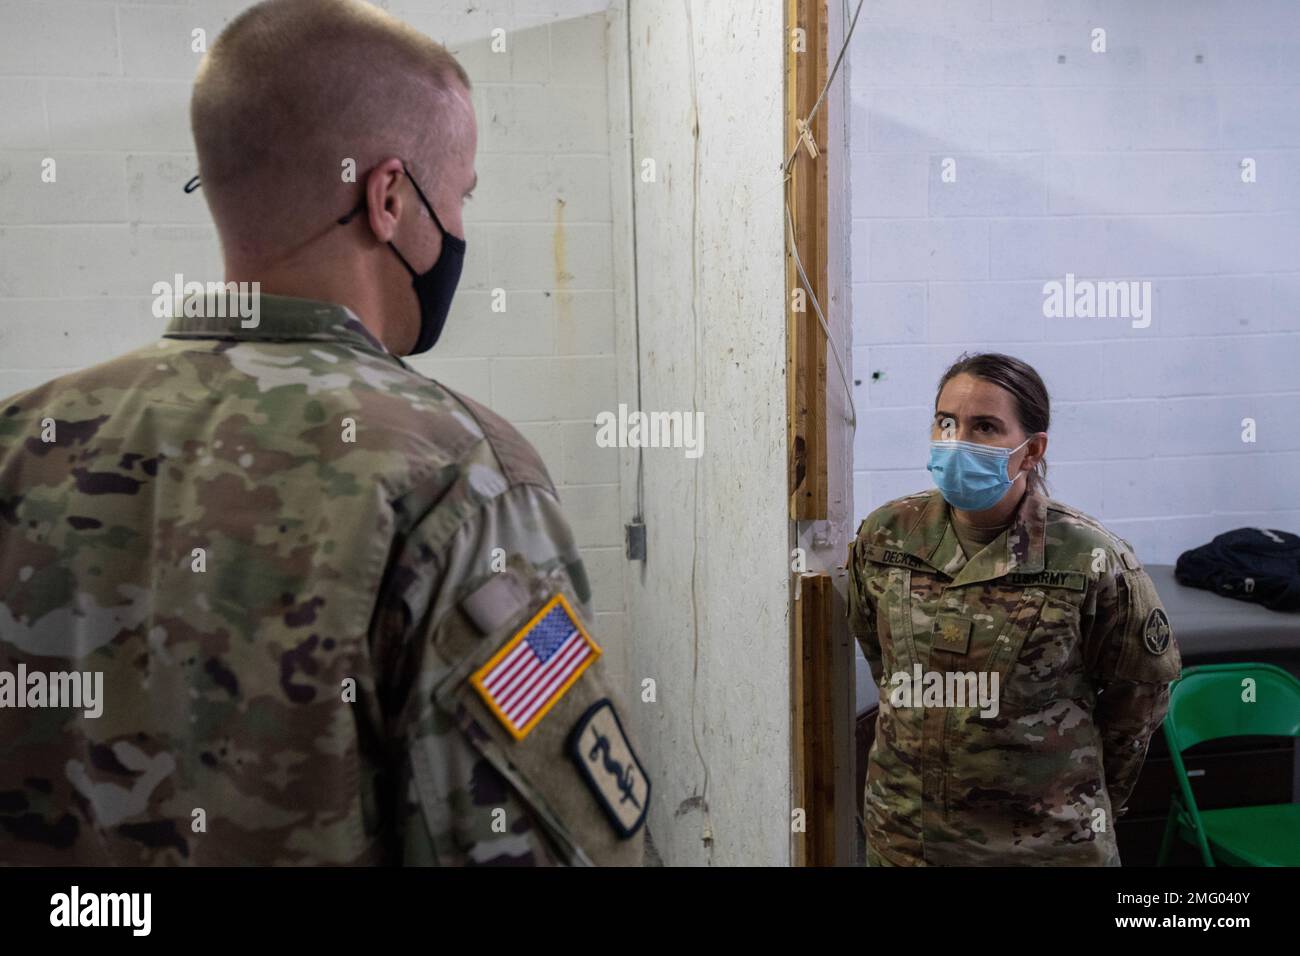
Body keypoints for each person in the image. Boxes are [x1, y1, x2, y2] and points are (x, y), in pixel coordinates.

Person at [0, 0, 648, 865]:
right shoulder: (458, 480)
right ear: (386, 196)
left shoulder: (21, 439)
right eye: (458, 197)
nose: (458, 231)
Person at [847, 352, 1180, 866]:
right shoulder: (885, 537)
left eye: (984, 427)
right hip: (910, 841)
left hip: (1045, 845)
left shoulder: (1089, 558)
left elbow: (1136, 702)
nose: (958, 441)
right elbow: (883, 659)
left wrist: (1081, 800)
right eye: (946, 422)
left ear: (1031, 450)